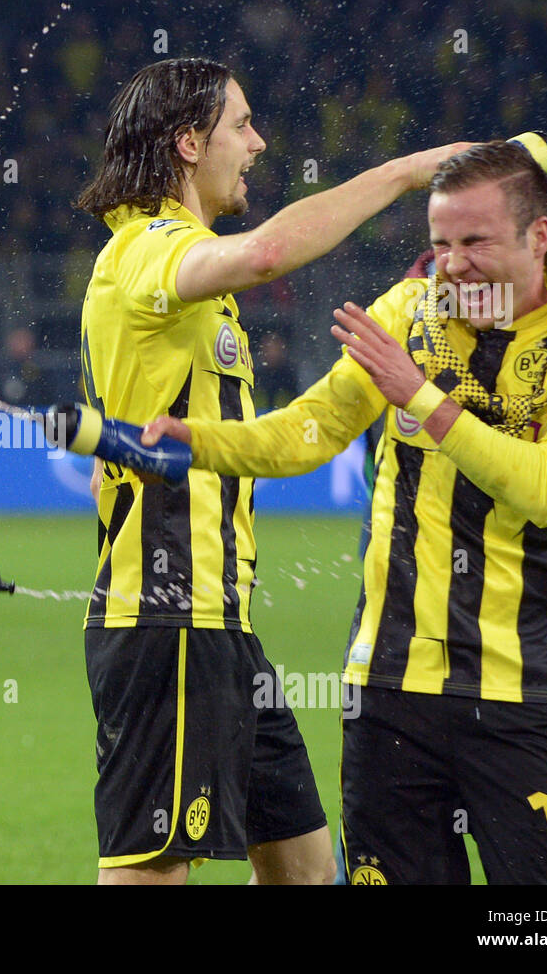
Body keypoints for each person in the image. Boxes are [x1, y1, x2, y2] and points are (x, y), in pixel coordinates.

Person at [142, 141, 547, 883]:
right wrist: (201, 441)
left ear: (539, 236)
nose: (454, 263)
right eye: (440, 243)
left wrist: (420, 397)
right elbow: (310, 429)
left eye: (475, 242)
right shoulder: (410, 311)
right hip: (387, 691)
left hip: (520, 691)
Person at [73, 56, 470, 885]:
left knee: (306, 868)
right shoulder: (145, 249)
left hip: (222, 625)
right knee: (149, 869)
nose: (257, 142)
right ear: (188, 143)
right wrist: (402, 174)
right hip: (165, 618)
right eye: (241, 125)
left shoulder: (181, 268)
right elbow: (264, 256)